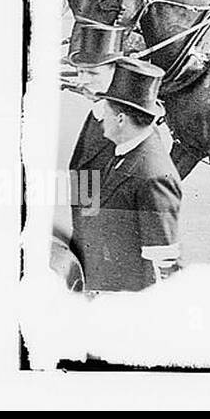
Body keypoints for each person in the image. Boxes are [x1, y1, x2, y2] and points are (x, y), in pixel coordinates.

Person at [74, 57, 182, 292]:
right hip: (104, 275)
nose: (102, 124)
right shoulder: (126, 147)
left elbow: (163, 264)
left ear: (121, 119)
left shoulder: (153, 176)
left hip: (128, 298)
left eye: (107, 114)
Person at [63, 21, 127, 289]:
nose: (83, 81)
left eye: (92, 73)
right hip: (90, 249)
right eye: (79, 72)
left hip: (116, 260)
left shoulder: (125, 125)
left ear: (116, 72)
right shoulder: (96, 111)